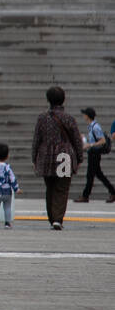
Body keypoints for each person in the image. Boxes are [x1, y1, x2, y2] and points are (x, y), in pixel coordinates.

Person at [32, 86, 84, 230]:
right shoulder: (69, 118)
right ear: (63, 99)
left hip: (46, 156)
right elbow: (76, 140)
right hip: (64, 156)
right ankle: (58, 219)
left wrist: (34, 158)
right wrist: (79, 158)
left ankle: (52, 218)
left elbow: (37, 139)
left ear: (48, 100)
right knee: (61, 188)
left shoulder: (42, 118)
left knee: (50, 187)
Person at [75, 107, 115, 203]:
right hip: (92, 153)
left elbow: (102, 141)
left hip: (95, 153)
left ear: (87, 116)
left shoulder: (95, 127)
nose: (83, 116)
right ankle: (113, 192)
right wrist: (85, 139)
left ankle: (85, 196)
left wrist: (90, 144)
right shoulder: (91, 126)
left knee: (90, 175)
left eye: (84, 114)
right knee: (98, 174)